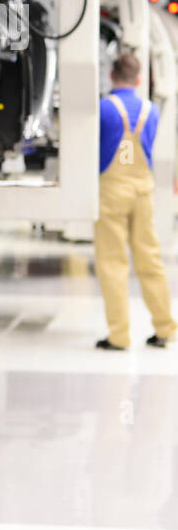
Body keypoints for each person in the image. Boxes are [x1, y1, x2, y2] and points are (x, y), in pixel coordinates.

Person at [94, 52, 176, 350]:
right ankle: (165, 327)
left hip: (111, 190)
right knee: (150, 259)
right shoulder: (151, 110)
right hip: (143, 189)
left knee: (112, 262)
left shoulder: (104, 108)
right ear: (139, 79)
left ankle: (119, 336)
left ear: (112, 76)